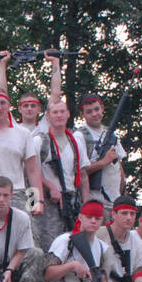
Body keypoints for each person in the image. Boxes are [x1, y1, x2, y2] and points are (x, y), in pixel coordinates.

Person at [37, 98, 86, 251]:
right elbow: (28, 172)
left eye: (62, 112)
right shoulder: (39, 141)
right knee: (48, 244)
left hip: (72, 200)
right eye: (55, 112)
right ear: (47, 116)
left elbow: (83, 174)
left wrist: (85, 204)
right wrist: (50, 186)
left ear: (68, 114)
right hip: (47, 201)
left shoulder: (76, 140)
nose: (59, 115)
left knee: (72, 244)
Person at [77, 94, 125, 212]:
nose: (94, 114)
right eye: (89, 111)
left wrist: (122, 193)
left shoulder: (111, 134)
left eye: (96, 109)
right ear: (82, 114)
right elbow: (79, 172)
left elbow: (119, 166)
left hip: (115, 200)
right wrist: (103, 162)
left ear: (102, 108)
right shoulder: (80, 136)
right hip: (95, 200)